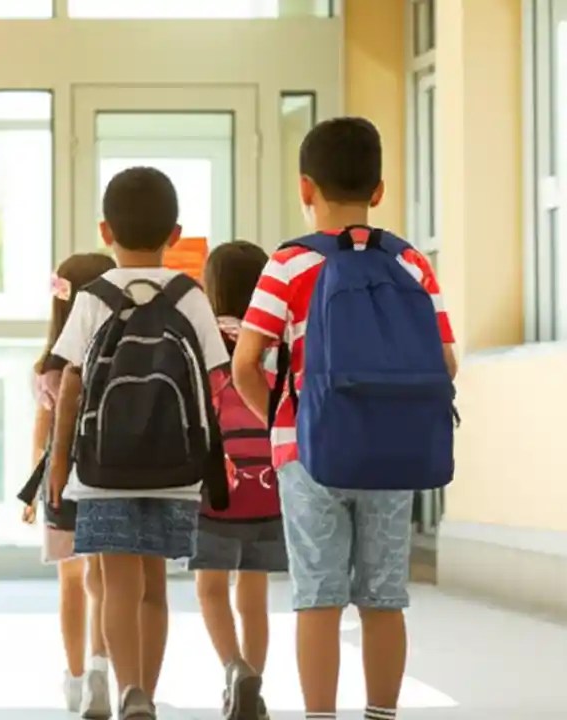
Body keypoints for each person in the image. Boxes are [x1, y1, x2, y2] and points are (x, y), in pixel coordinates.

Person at [232, 117, 459, 720]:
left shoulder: (286, 265)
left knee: (318, 596)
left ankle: (320, 717)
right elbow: (446, 362)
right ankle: (381, 714)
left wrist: (287, 422)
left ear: (305, 189)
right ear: (379, 191)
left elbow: (246, 362)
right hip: (391, 453)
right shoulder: (410, 263)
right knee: (384, 596)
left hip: (307, 455)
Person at [48, 167, 232, 720]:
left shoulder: (92, 297)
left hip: (102, 470)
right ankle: (145, 694)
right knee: (155, 583)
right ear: (175, 234)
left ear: (106, 230)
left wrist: (58, 466)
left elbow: (70, 389)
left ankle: (125, 687)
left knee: (118, 583)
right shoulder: (189, 296)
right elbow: (215, 383)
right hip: (175, 468)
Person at [189, 241, 286, 720]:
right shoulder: (272, 340)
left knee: (210, 587)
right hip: (269, 484)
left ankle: (234, 669)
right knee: (255, 594)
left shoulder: (201, 338)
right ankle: (254, 687)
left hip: (217, 486)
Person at [18, 252, 116, 719]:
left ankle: (74, 679)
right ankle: (100, 667)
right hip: (110, 475)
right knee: (104, 579)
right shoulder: (116, 355)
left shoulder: (47, 367)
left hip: (60, 482)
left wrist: (34, 492)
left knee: (72, 582)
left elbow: (43, 433)